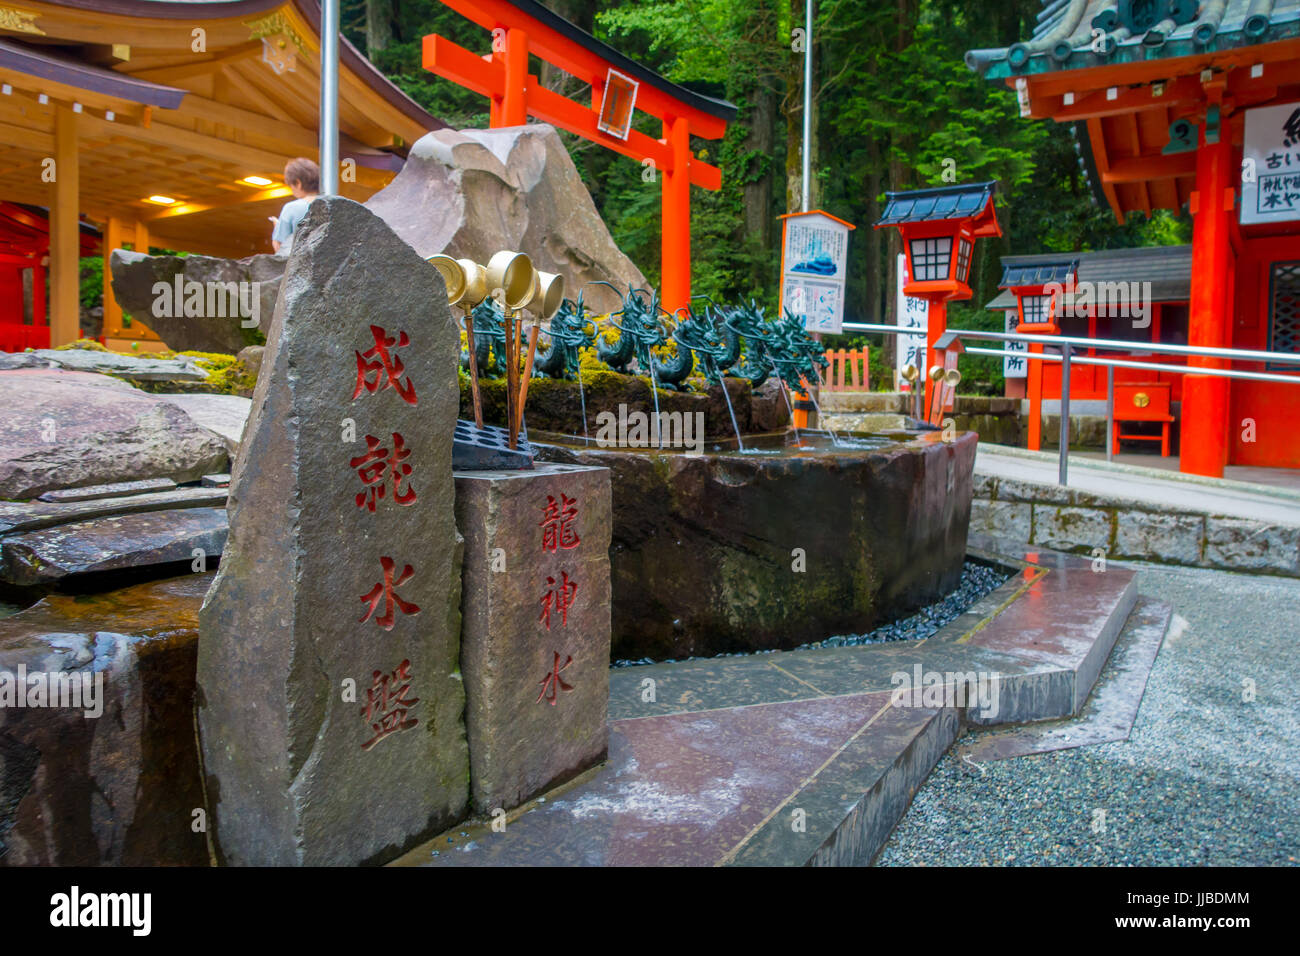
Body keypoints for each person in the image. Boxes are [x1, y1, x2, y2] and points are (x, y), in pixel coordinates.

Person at [270, 157, 321, 255]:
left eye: (291, 186)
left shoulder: (292, 208)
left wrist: (278, 228)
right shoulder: (329, 205)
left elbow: (280, 248)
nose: (292, 191)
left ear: (298, 183)